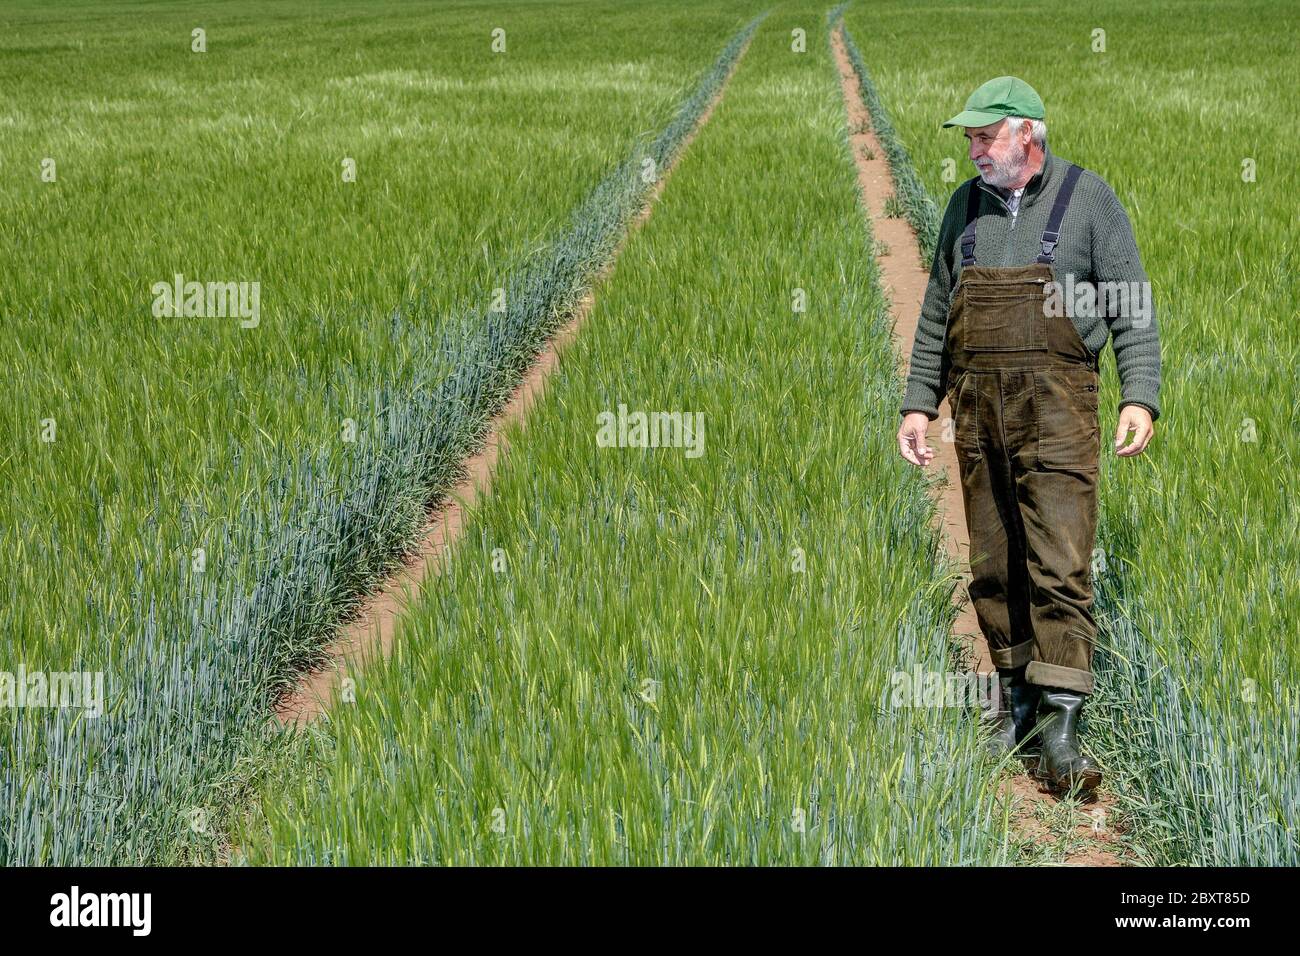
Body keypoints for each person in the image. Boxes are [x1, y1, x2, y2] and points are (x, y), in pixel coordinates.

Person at [896, 76, 1161, 792]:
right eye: (970, 139)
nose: (974, 150)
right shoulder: (964, 210)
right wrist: (920, 403)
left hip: (1059, 413)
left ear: (1028, 136)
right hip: (980, 415)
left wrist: (1141, 395)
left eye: (985, 136)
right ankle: (1016, 710)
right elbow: (935, 316)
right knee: (994, 562)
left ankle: (1063, 730)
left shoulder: (1088, 202)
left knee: (1061, 565)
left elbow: (1132, 302)